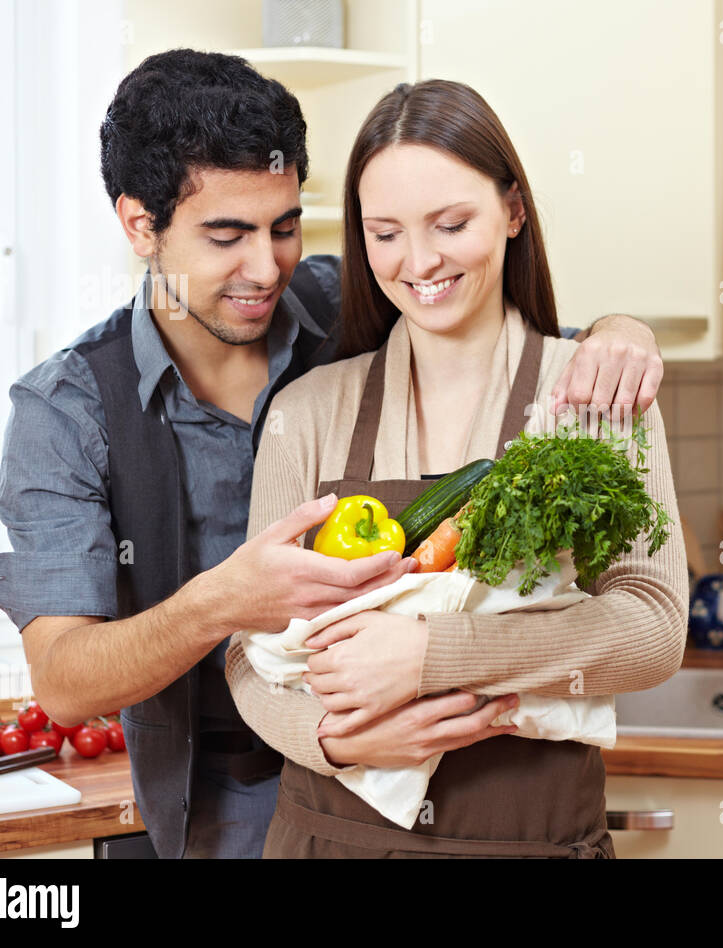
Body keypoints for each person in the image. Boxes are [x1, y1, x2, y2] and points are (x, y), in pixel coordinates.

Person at [0, 50, 666, 859]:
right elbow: (64, 681)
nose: (265, 268)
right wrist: (224, 603)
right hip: (227, 798)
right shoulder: (69, 410)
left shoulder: (347, 300)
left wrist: (623, 332)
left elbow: (500, 321)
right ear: (140, 226)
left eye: (284, 227)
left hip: (448, 780)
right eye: (225, 236)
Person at [224, 78, 689, 858]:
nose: (420, 261)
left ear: (513, 210)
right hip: (330, 837)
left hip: (531, 842)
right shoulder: (307, 411)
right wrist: (337, 738)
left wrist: (430, 655)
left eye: (451, 223)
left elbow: (653, 630)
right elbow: (249, 649)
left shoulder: (595, 391)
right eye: (386, 233)